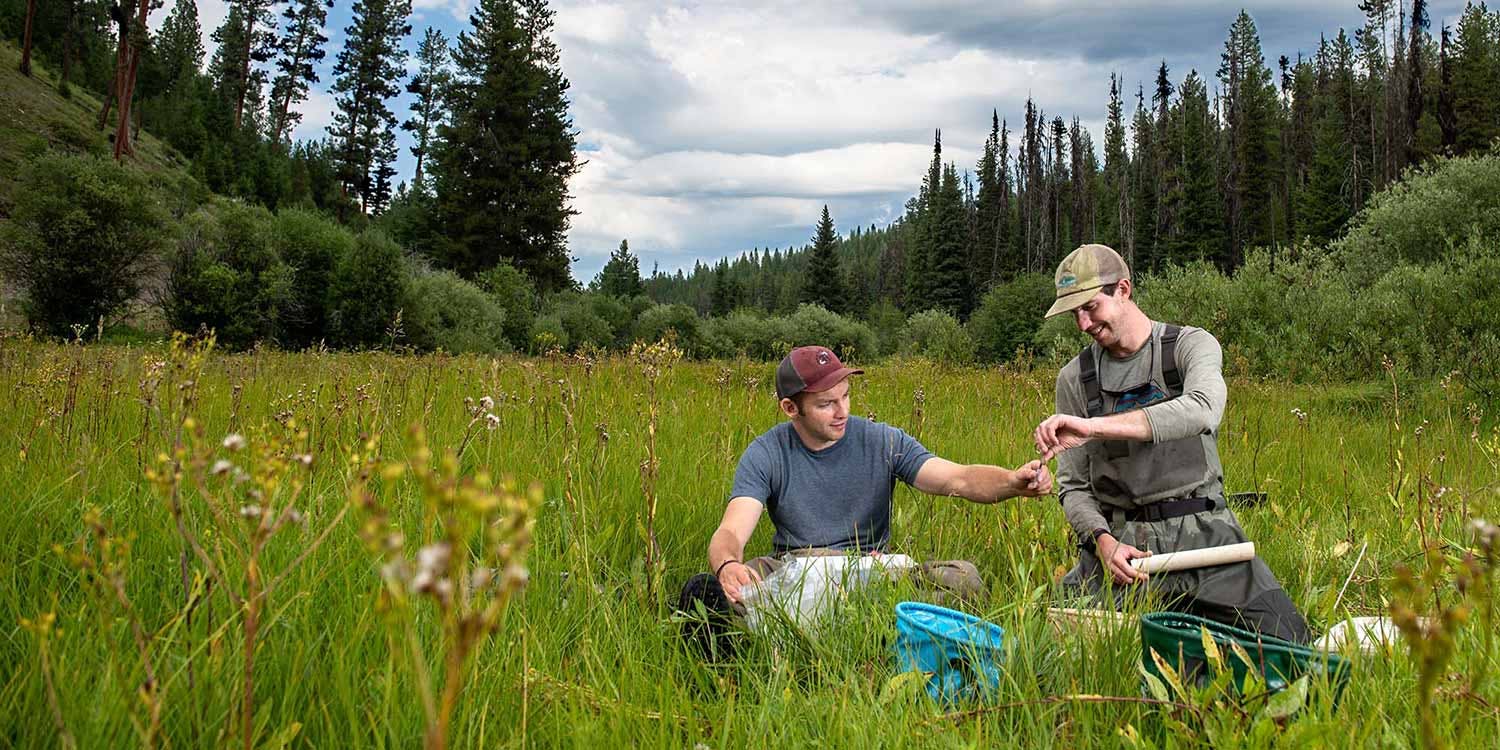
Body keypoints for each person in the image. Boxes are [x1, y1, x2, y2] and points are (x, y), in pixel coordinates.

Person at [677, 344, 1052, 657]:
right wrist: (728, 564)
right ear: (791, 408)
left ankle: (881, 634)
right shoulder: (766, 453)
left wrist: (1012, 481)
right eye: (826, 404)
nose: (842, 411)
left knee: (962, 577)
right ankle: (741, 649)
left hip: (872, 569)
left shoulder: (883, 440)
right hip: (795, 569)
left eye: (845, 396)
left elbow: (958, 478)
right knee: (719, 591)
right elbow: (732, 530)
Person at [1032, 244, 1311, 643]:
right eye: (1073, 313)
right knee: (1054, 643)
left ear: (1123, 290)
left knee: (1290, 644)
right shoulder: (1074, 379)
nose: (1083, 324)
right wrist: (1102, 541)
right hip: (1126, 551)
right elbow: (1074, 487)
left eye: (1090, 307)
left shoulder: (1189, 346)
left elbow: (1204, 409)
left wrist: (1095, 427)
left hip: (1208, 539)